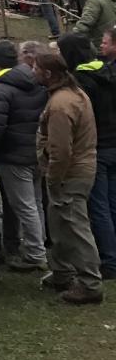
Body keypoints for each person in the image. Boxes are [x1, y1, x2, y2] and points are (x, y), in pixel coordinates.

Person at [34, 52, 104, 304]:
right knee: (59, 224)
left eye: (35, 68)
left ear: (48, 73)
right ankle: (62, 272)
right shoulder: (74, 94)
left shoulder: (61, 104)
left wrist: (54, 178)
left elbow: (61, 149)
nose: (32, 72)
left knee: (75, 226)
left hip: (69, 174)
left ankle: (90, 284)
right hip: (76, 170)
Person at [0, 38, 48, 271]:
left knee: (25, 206)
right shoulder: (36, 82)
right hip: (35, 151)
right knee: (35, 203)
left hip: (13, 155)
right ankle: (37, 245)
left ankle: (35, 253)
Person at [60, 32, 116, 278]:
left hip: (96, 147)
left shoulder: (80, 82)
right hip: (113, 143)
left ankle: (109, 260)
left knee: (99, 206)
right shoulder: (109, 71)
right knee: (112, 203)